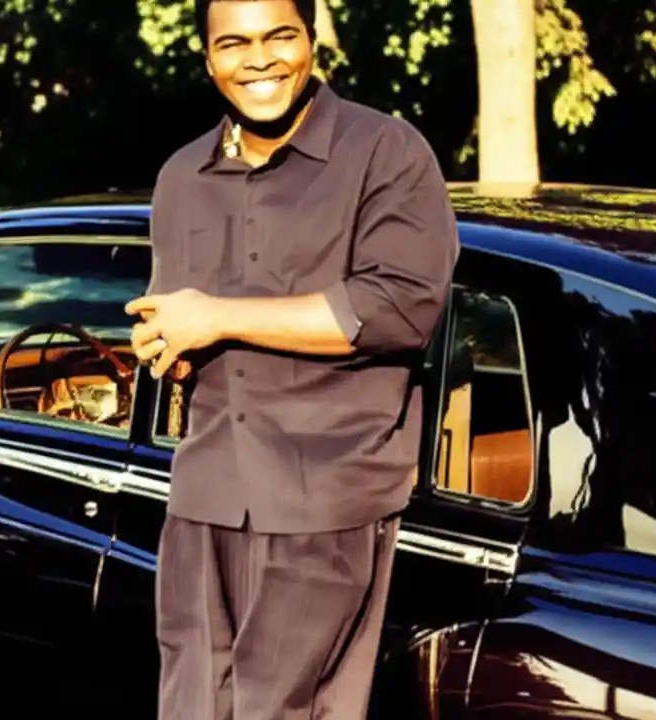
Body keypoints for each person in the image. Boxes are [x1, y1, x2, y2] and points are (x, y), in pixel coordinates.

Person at [124, 0, 459, 717]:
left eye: (280, 36)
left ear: (312, 43)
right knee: (189, 706)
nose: (260, 59)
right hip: (205, 491)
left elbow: (397, 309)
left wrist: (215, 316)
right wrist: (165, 342)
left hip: (326, 497)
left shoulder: (388, 151)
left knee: (284, 710)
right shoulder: (181, 176)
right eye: (234, 43)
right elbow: (177, 314)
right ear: (209, 60)